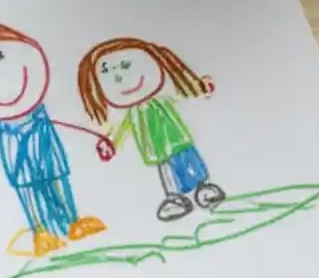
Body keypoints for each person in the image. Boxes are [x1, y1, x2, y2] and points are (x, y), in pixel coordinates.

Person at [0, 22, 114, 257]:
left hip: (47, 151)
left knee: (59, 182)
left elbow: (65, 124)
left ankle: (73, 222)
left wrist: (96, 137)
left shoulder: (41, 116)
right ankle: (41, 232)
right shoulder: (3, 129)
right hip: (17, 161)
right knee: (28, 193)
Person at [76, 36, 225, 221]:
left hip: (178, 140)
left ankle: (203, 187)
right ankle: (174, 198)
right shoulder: (133, 114)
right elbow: (123, 130)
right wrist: (112, 144)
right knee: (167, 171)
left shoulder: (162, 100)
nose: (123, 79)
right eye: (109, 76)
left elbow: (181, 95)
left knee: (190, 163)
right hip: (156, 149)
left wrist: (200, 88)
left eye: (127, 66)